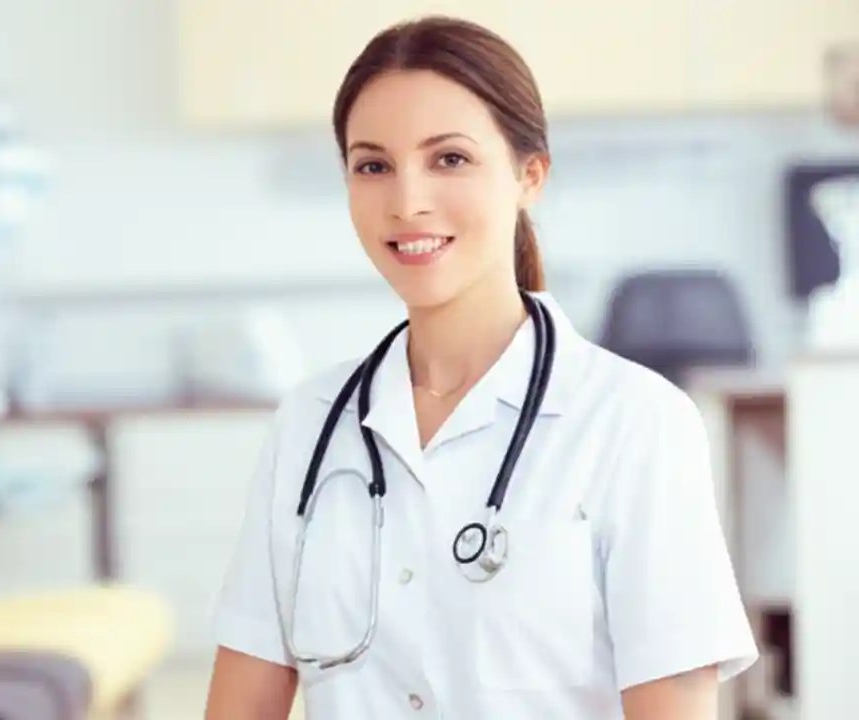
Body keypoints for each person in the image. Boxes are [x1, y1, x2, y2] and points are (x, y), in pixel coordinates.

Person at [204, 14, 758, 720]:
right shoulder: (310, 424)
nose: (407, 202)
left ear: (530, 175)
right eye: (373, 166)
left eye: (449, 159)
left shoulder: (635, 422)